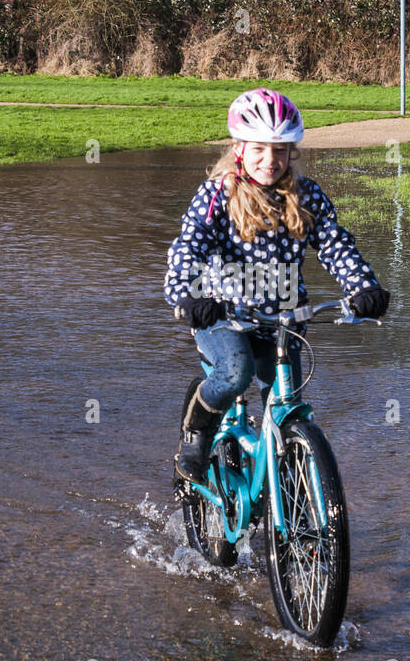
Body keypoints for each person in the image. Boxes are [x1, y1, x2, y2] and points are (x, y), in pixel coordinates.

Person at [164, 88, 390, 484]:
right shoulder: (218, 196)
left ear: (292, 152)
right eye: (259, 150)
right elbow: (189, 245)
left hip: (283, 321)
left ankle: (290, 501)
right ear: (238, 148)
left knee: (285, 405)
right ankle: (196, 432)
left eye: (281, 150)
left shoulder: (307, 196)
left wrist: (363, 287)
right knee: (236, 373)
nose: (271, 161)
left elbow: (336, 245)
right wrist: (188, 294)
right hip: (224, 317)